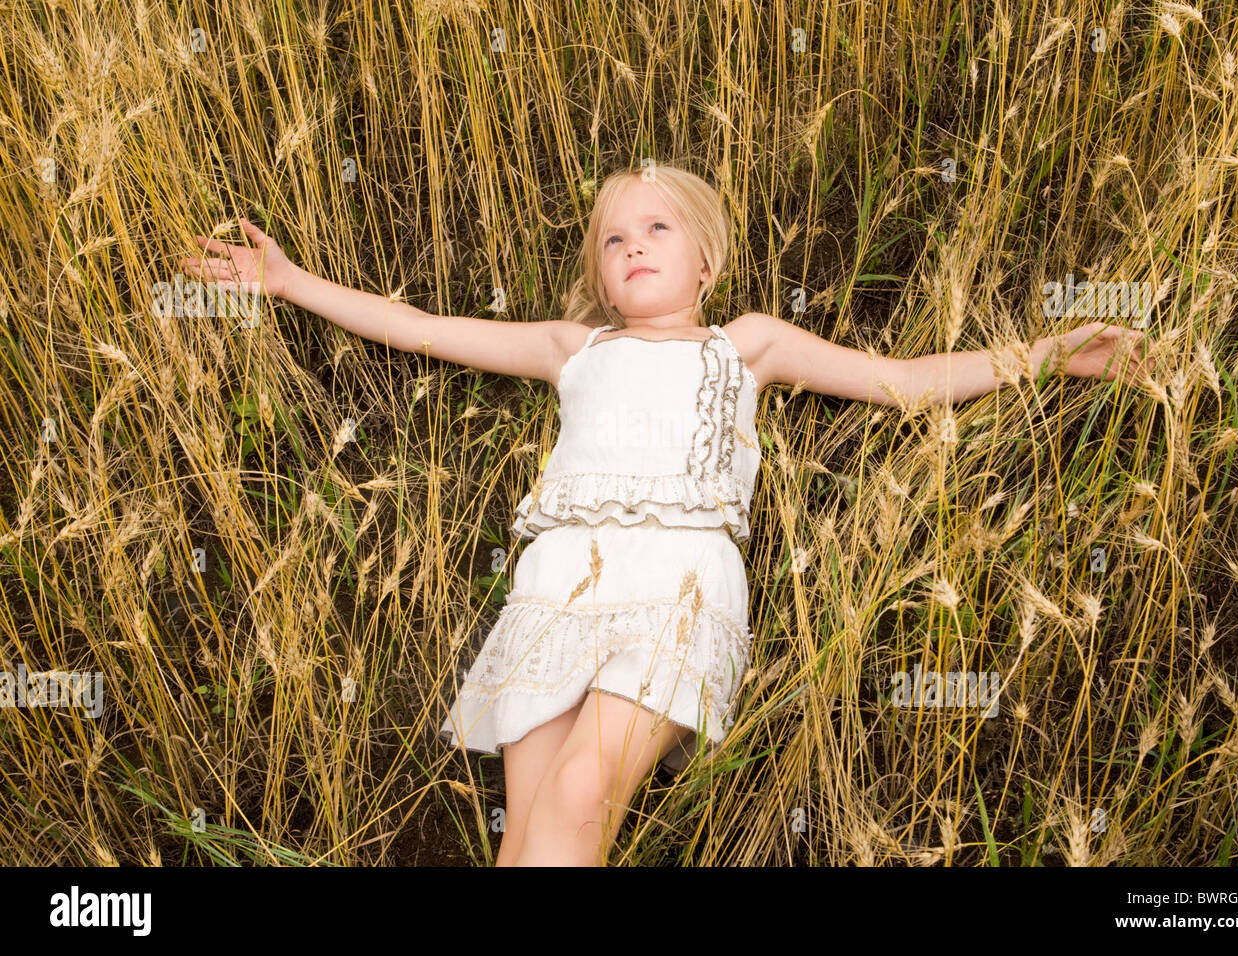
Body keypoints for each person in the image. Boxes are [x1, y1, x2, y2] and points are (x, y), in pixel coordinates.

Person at [181, 164, 1154, 867]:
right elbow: (429, 329)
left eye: (655, 230)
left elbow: (898, 382)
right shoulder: (574, 345)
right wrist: (291, 281)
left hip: (679, 586)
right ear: (599, 275)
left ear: (704, 261)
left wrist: (1046, 351)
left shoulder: (748, 344)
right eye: (613, 238)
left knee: (575, 794)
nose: (632, 246)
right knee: (528, 833)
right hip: (555, 585)